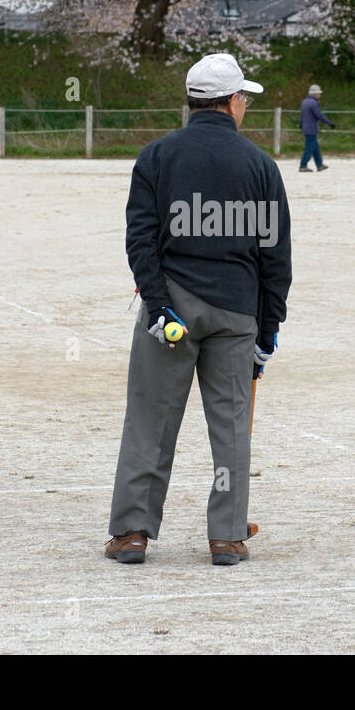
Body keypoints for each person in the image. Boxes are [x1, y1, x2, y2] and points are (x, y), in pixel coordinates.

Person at [107, 53, 292, 566]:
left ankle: (132, 532)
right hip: (237, 309)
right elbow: (275, 254)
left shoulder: (156, 156)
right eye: (245, 99)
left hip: (172, 306)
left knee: (150, 419)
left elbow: (140, 241)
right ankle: (227, 537)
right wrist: (269, 326)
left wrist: (159, 306)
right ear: (232, 102)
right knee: (231, 425)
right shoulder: (260, 165)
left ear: (192, 103)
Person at [298, 84, 334, 172]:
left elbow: (302, 116)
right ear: (315, 94)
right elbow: (319, 115)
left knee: (315, 148)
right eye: (319, 93)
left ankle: (319, 165)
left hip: (306, 128)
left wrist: (301, 124)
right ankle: (303, 165)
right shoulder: (313, 103)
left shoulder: (304, 102)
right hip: (312, 129)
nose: (319, 95)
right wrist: (330, 123)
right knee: (309, 148)